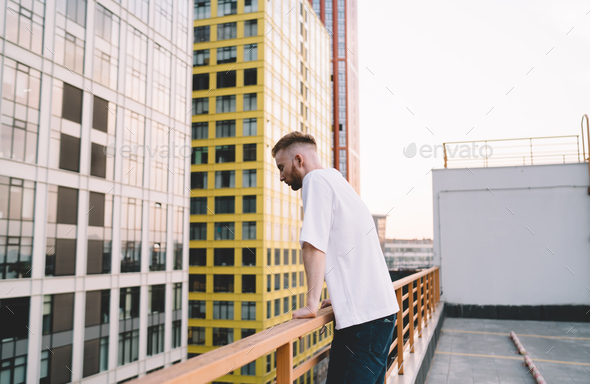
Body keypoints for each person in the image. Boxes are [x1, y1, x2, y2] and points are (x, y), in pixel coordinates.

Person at [271, 131, 400, 384]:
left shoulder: (315, 181)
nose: (281, 176)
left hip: (364, 321)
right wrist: (342, 292)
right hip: (376, 314)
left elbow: (313, 244)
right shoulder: (336, 180)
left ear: (299, 160)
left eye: (282, 167)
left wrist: (311, 304)